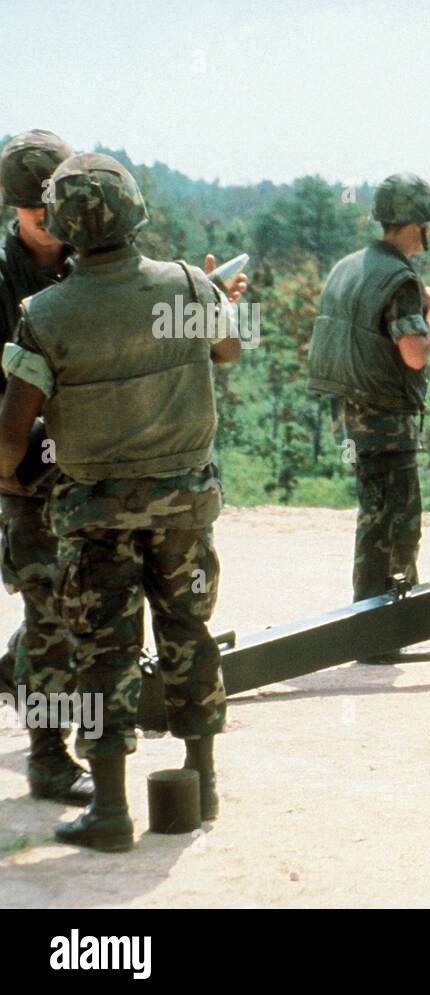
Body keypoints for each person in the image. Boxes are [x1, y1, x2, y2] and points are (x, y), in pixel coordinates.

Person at [0, 153, 240, 852]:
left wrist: (13, 480)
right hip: (184, 505)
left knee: (104, 651)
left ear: (66, 229)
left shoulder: (45, 314)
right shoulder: (188, 287)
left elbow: (15, 429)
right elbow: (226, 351)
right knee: (188, 633)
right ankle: (202, 781)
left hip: (94, 514)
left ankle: (109, 810)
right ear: (137, 213)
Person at [308, 173, 430, 664]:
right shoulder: (400, 278)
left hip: (356, 412)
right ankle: (381, 633)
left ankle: (380, 624)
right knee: (397, 524)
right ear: (415, 225)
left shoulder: (348, 266)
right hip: (387, 416)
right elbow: (415, 354)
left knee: (376, 517)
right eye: (426, 223)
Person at [0, 129, 93, 803]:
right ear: (13, 209)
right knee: (49, 605)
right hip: (23, 468)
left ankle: (14, 671)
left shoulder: (85, 258)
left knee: (76, 602)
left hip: (87, 464)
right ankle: (48, 755)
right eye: (38, 214)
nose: (51, 226)